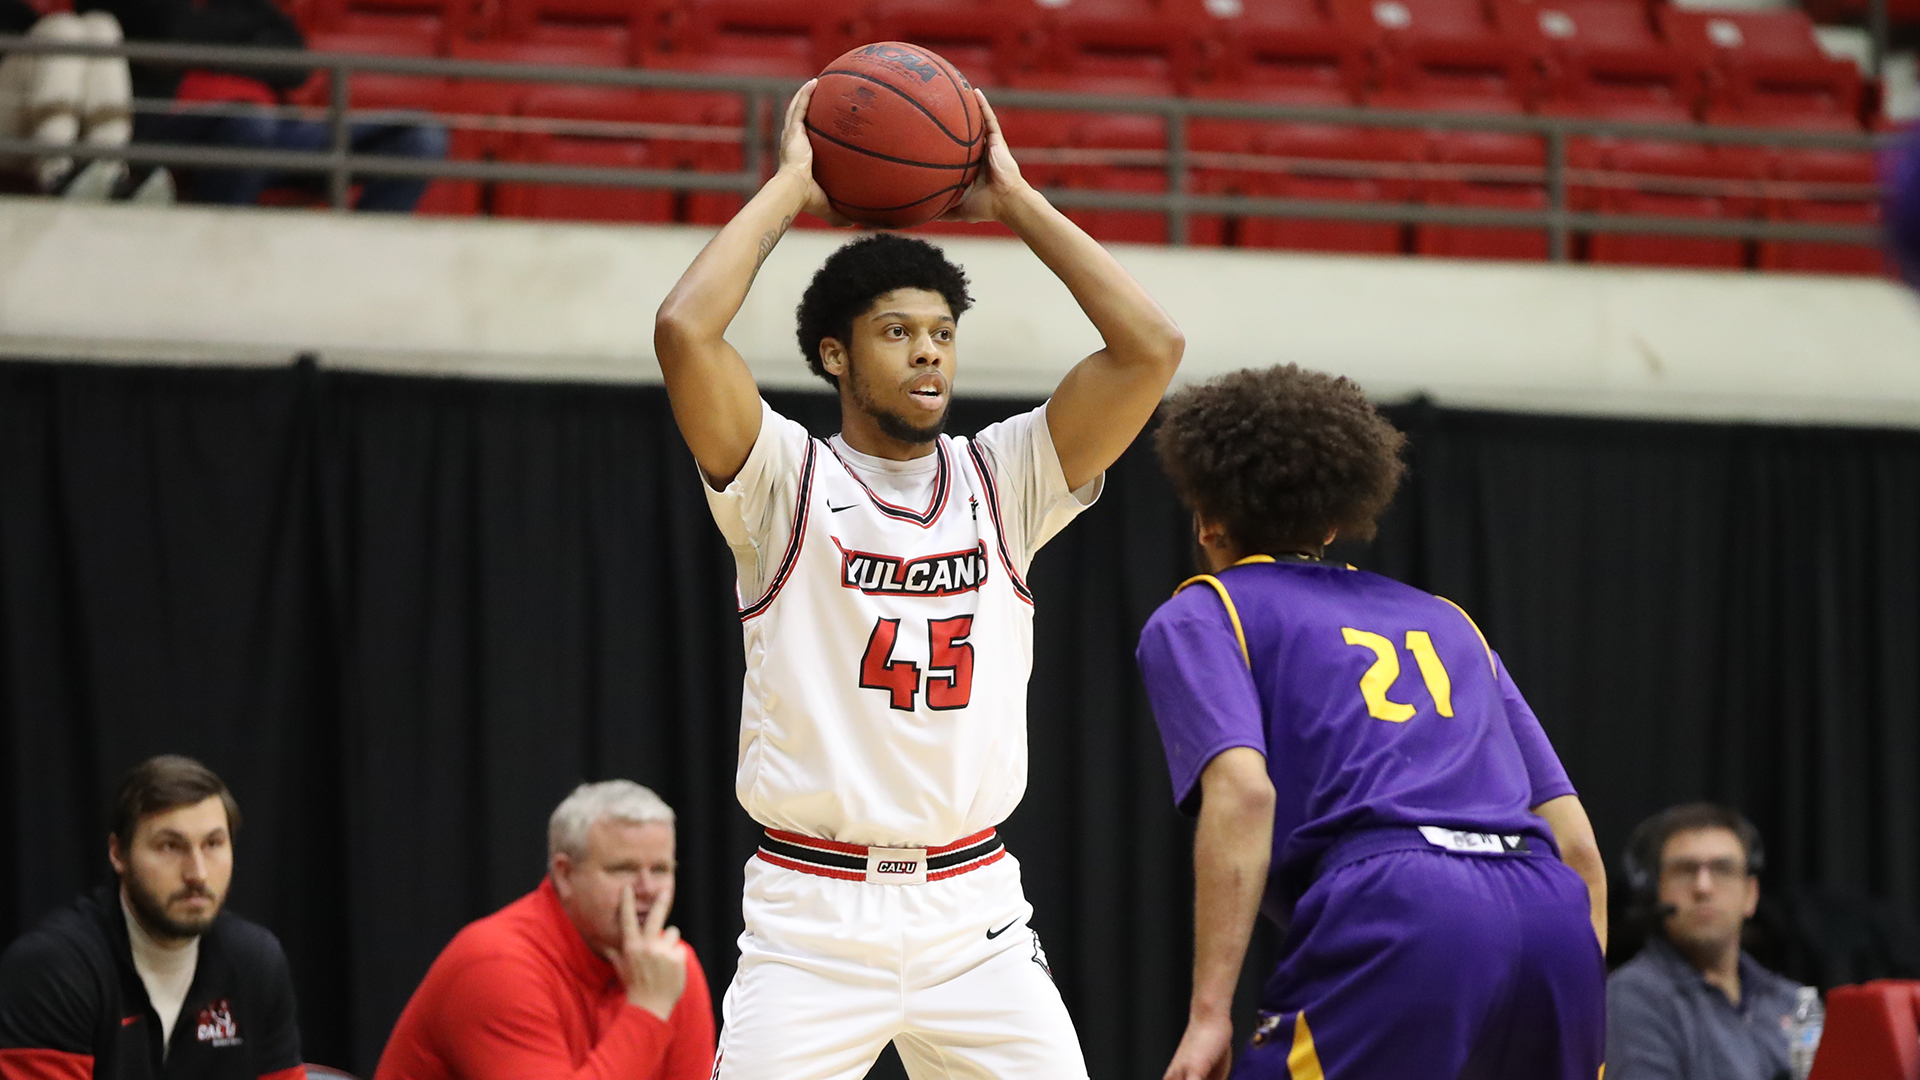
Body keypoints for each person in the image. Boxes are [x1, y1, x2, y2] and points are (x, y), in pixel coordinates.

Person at [651, 66, 1184, 1079]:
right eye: (897, 333)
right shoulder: (784, 478)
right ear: (833, 356)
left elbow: (1150, 346)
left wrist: (1015, 199)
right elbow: (685, 331)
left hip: (972, 909)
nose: (928, 354)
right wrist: (794, 186)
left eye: (942, 334)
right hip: (813, 919)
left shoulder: (1006, 477)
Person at [1133, 364, 1609, 1080]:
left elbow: (1245, 795)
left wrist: (1208, 1015)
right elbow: (1578, 846)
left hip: (1407, 904)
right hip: (1551, 913)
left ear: (1205, 514)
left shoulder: (1207, 610)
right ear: (1335, 520)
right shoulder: (1449, 622)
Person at [373, 780, 713, 1080]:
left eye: (661, 869)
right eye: (623, 869)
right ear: (564, 874)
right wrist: (648, 1009)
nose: (648, 889)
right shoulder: (496, 964)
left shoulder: (671, 967)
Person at [0, 755, 305, 1080]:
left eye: (213, 844)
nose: (197, 874)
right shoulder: (53, 968)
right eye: (170, 846)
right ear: (118, 853)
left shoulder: (255, 962)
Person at [79, 0, 445, 210]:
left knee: (419, 136)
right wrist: (243, 41)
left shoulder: (245, 5)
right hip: (172, 129)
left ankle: (357, 261)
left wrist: (200, 47)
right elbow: (171, 29)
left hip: (275, 133)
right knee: (247, 123)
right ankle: (218, 248)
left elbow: (294, 64)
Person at [1607, 803, 1804, 1080]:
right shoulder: (1632, 997)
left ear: (1750, 894)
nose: (1703, 887)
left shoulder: (1792, 1000)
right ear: (1658, 891)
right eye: (1685, 870)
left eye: (1723, 869)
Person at [0, 0, 145, 198]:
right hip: (8, 121)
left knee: (101, 26)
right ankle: (55, 173)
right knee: (61, 30)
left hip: (47, 121)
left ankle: (109, 171)